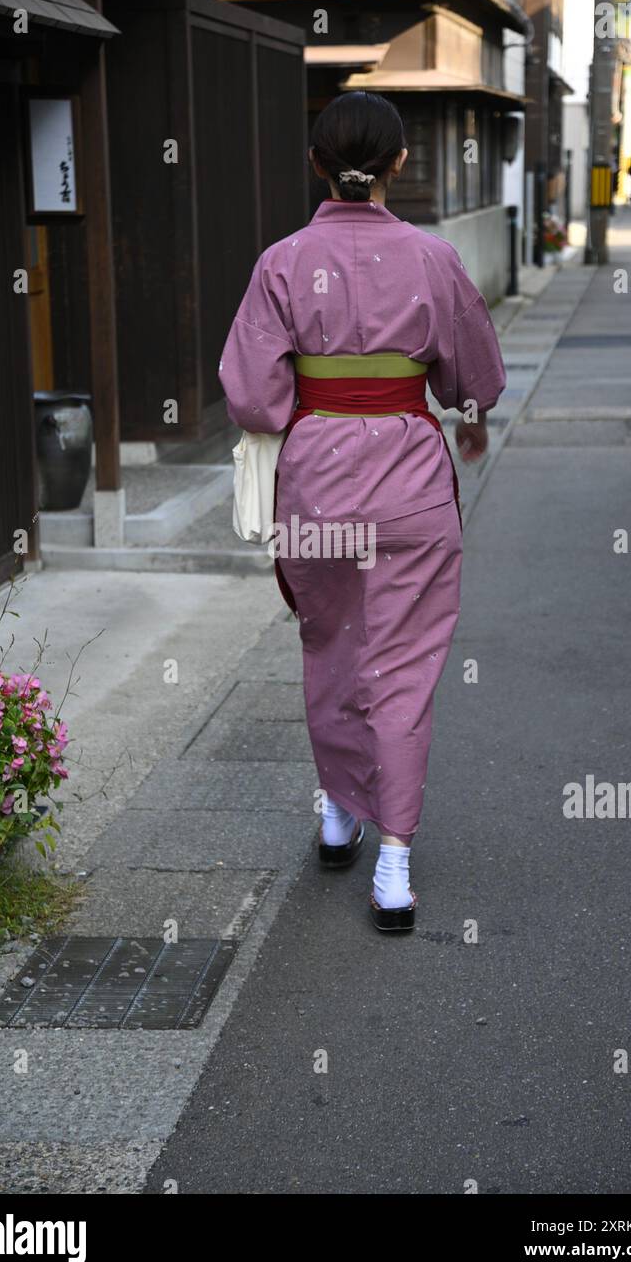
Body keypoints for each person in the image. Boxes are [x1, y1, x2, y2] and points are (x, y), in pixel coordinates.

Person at [218, 91, 506, 933]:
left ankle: (340, 813)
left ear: (317, 164)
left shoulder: (281, 261)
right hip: (411, 479)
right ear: (401, 164)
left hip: (319, 479)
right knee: (406, 666)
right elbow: (473, 382)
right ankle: (394, 863)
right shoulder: (434, 258)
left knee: (331, 644)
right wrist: (452, 404)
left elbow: (253, 400)